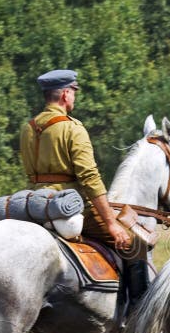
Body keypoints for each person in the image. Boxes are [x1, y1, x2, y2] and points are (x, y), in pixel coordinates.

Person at [20, 69, 147, 307]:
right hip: (70, 206)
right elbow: (89, 178)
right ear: (66, 95)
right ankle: (139, 312)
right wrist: (111, 224)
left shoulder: (28, 128)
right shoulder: (72, 128)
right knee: (134, 244)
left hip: (36, 204)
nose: (75, 98)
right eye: (74, 93)